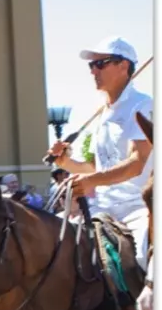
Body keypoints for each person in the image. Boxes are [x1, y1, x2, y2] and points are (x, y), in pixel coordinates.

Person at [47, 36, 153, 272]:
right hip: (101, 207)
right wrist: (67, 163)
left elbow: (136, 164)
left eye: (101, 63)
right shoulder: (101, 112)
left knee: (143, 263)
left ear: (124, 66)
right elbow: (96, 166)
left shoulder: (143, 105)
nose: (94, 71)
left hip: (136, 206)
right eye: (91, 66)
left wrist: (91, 181)